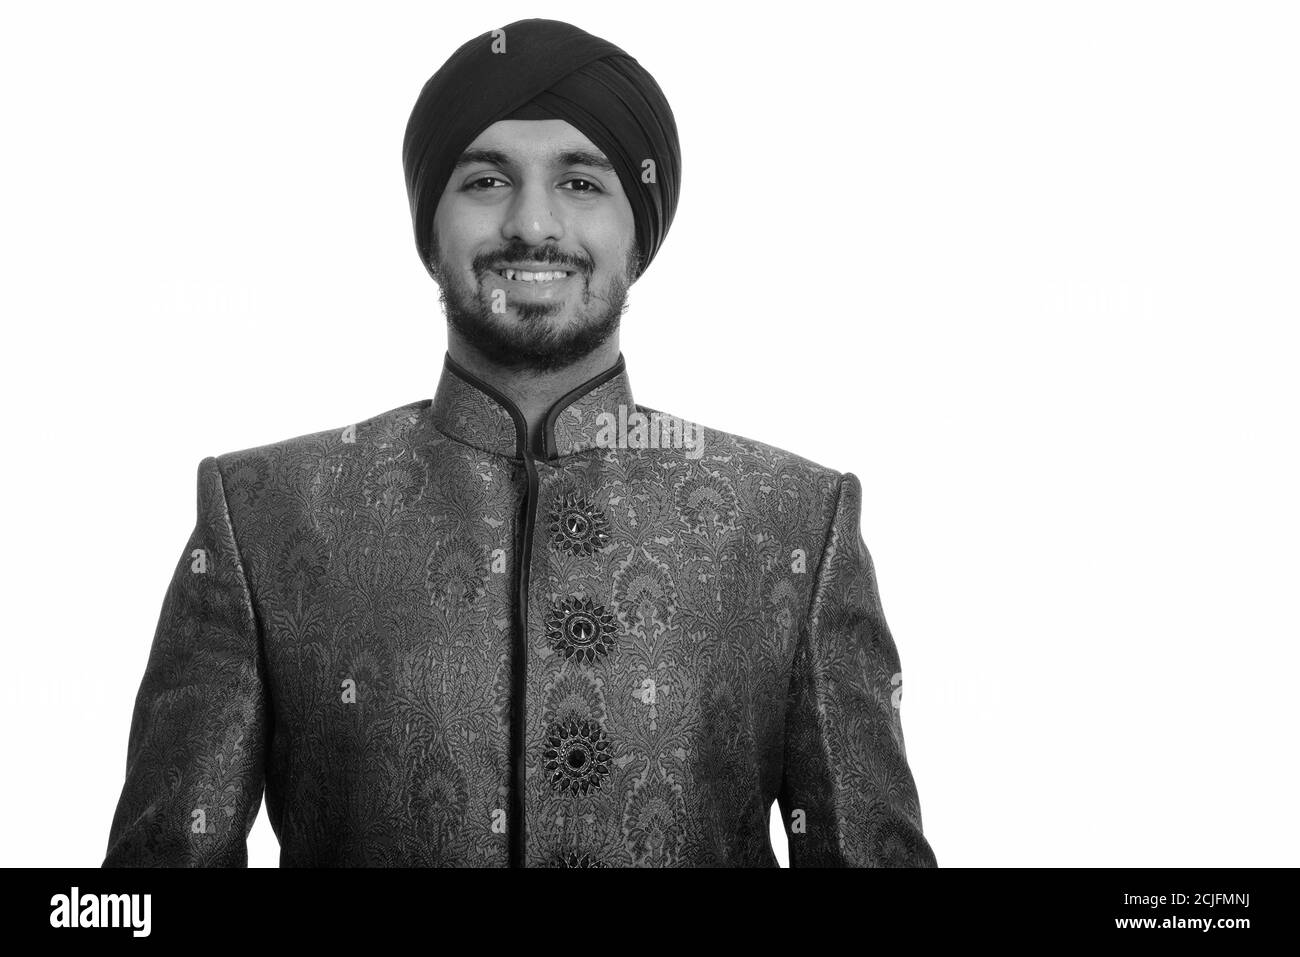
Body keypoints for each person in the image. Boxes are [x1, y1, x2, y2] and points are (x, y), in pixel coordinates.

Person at [103, 17, 937, 868]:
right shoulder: (267, 515)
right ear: (431, 228)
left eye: (581, 181)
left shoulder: (792, 523)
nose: (533, 224)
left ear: (638, 233)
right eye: (487, 179)